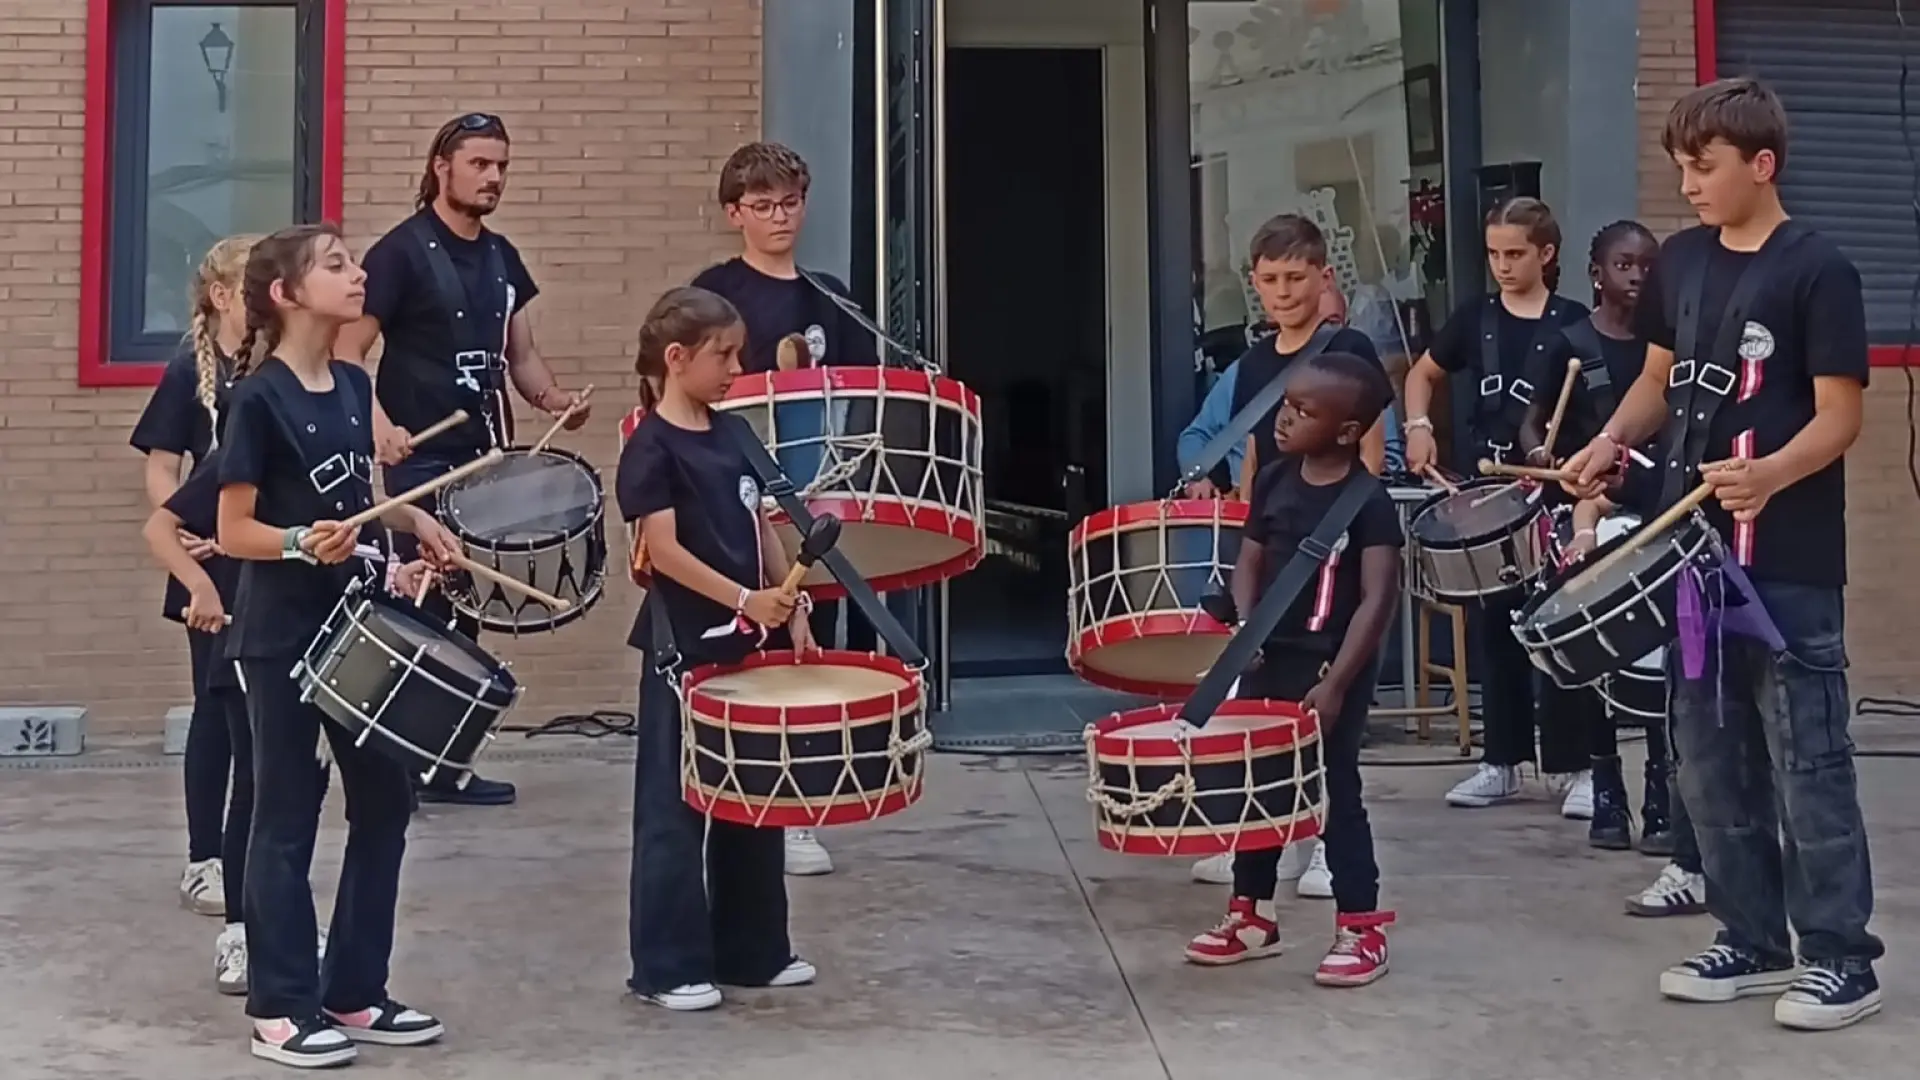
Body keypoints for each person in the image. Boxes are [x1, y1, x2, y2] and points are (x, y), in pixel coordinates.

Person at [1563, 77, 1880, 1031]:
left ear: (1761, 164)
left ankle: (1840, 957)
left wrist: (1771, 473)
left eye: (1704, 169)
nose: (1689, 187)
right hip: (1689, 549)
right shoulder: (1682, 261)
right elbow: (1659, 380)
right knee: (1706, 758)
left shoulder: (1820, 270)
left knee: (1806, 758)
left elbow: (1842, 416)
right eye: (1680, 170)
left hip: (1784, 555)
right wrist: (1610, 440)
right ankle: (1748, 937)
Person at [217, 224, 458, 1066]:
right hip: (279, 633)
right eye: (336, 265)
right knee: (285, 816)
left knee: (385, 804)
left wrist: (414, 520)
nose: (358, 275)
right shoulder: (256, 397)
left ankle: (353, 991)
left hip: (357, 627)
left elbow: (360, 498)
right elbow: (234, 528)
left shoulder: (355, 386)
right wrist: (294, 545)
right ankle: (281, 1007)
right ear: (286, 294)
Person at [336, 112, 591, 808]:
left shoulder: (503, 257)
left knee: (461, 610)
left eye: (501, 165)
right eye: (479, 164)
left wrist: (553, 400)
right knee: (415, 600)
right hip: (420, 460)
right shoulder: (400, 252)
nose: (494, 177)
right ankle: (395, 766)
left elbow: (522, 357)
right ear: (442, 167)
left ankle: (442, 763)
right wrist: (377, 425)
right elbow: (346, 352)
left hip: (483, 458)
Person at [1174, 214, 1389, 894]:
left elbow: (1372, 451)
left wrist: (1362, 519)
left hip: (1337, 550)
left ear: (1323, 276)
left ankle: (1327, 846)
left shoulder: (1348, 348)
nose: (1283, 292)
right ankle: (1270, 843)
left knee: (1326, 724)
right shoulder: (1251, 365)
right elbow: (1252, 463)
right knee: (1261, 716)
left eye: (1295, 278)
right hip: (1277, 543)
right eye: (1269, 280)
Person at [618, 286, 818, 1012]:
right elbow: (662, 551)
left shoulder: (734, 434)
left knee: (752, 796)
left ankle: (752, 950)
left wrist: (786, 602)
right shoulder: (650, 444)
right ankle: (667, 966)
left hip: (746, 639)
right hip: (684, 645)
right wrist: (741, 599)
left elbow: (758, 521)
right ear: (676, 359)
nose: (737, 367)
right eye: (722, 355)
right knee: (676, 808)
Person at [690, 141, 882, 878]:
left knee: (814, 645)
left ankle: (800, 809)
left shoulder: (829, 295)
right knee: (751, 645)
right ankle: (741, 792)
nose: (781, 218)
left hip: (814, 494)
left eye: (792, 203)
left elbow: (870, 394)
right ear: (734, 213)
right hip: (736, 492)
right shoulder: (714, 295)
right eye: (764, 206)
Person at [1183, 350, 1401, 987]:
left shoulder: (1369, 502)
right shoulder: (1276, 479)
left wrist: (1336, 683)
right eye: (1286, 404)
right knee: (1262, 785)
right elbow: (1249, 560)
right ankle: (1252, 915)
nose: (1285, 419)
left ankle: (1362, 925)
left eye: (1303, 411)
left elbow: (1377, 599)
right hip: (1270, 659)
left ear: (1346, 431)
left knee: (1335, 790)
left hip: (1334, 666)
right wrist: (1247, 628)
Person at [1401, 197, 1591, 811]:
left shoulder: (1574, 323)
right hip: (1489, 498)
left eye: (1516, 254)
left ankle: (1576, 767)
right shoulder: (1473, 318)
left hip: (1556, 493)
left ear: (1547, 253)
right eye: (1494, 254)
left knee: (1559, 629)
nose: (1503, 266)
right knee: (1497, 629)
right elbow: (1421, 375)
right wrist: (1417, 426)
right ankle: (1501, 761)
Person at [1519, 220, 1672, 847]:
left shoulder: (1670, 344)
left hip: (1656, 504)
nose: (1635, 277)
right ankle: (1607, 787)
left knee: (1664, 657)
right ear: (1596, 273)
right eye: (1623, 266)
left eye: (1645, 267)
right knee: (1591, 656)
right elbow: (1532, 425)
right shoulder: (1570, 342)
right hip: (1584, 506)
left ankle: (1663, 789)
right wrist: (1548, 462)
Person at [130, 234, 259, 917]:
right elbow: (161, 465)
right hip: (205, 558)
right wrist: (178, 525)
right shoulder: (191, 366)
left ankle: (250, 860)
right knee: (213, 710)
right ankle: (204, 857)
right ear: (221, 294)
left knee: (255, 719)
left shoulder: (271, 367)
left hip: (261, 553)